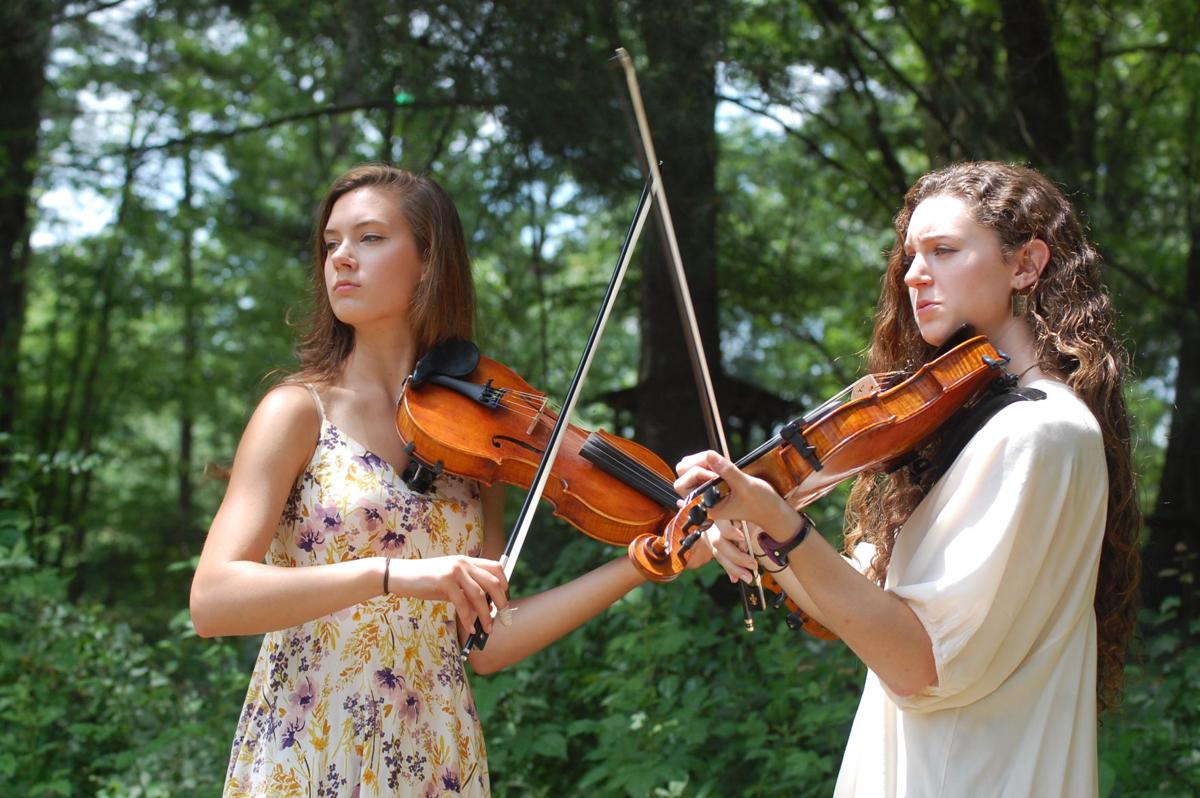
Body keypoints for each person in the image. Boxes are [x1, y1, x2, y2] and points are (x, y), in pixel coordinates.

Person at [190, 164, 696, 797]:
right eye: (331, 244)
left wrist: (646, 562)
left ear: (429, 262)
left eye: (370, 238)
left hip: (435, 757)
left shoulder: (476, 436)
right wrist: (391, 576)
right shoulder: (297, 413)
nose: (342, 258)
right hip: (311, 748)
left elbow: (486, 642)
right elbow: (212, 601)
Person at [679, 161, 1140, 796]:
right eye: (910, 255)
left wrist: (780, 522)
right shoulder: (977, 427)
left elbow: (918, 666)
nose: (914, 274)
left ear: (1026, 265)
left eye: (944, 250)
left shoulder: (1039, 433)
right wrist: (760, 538)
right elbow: (864, 617)